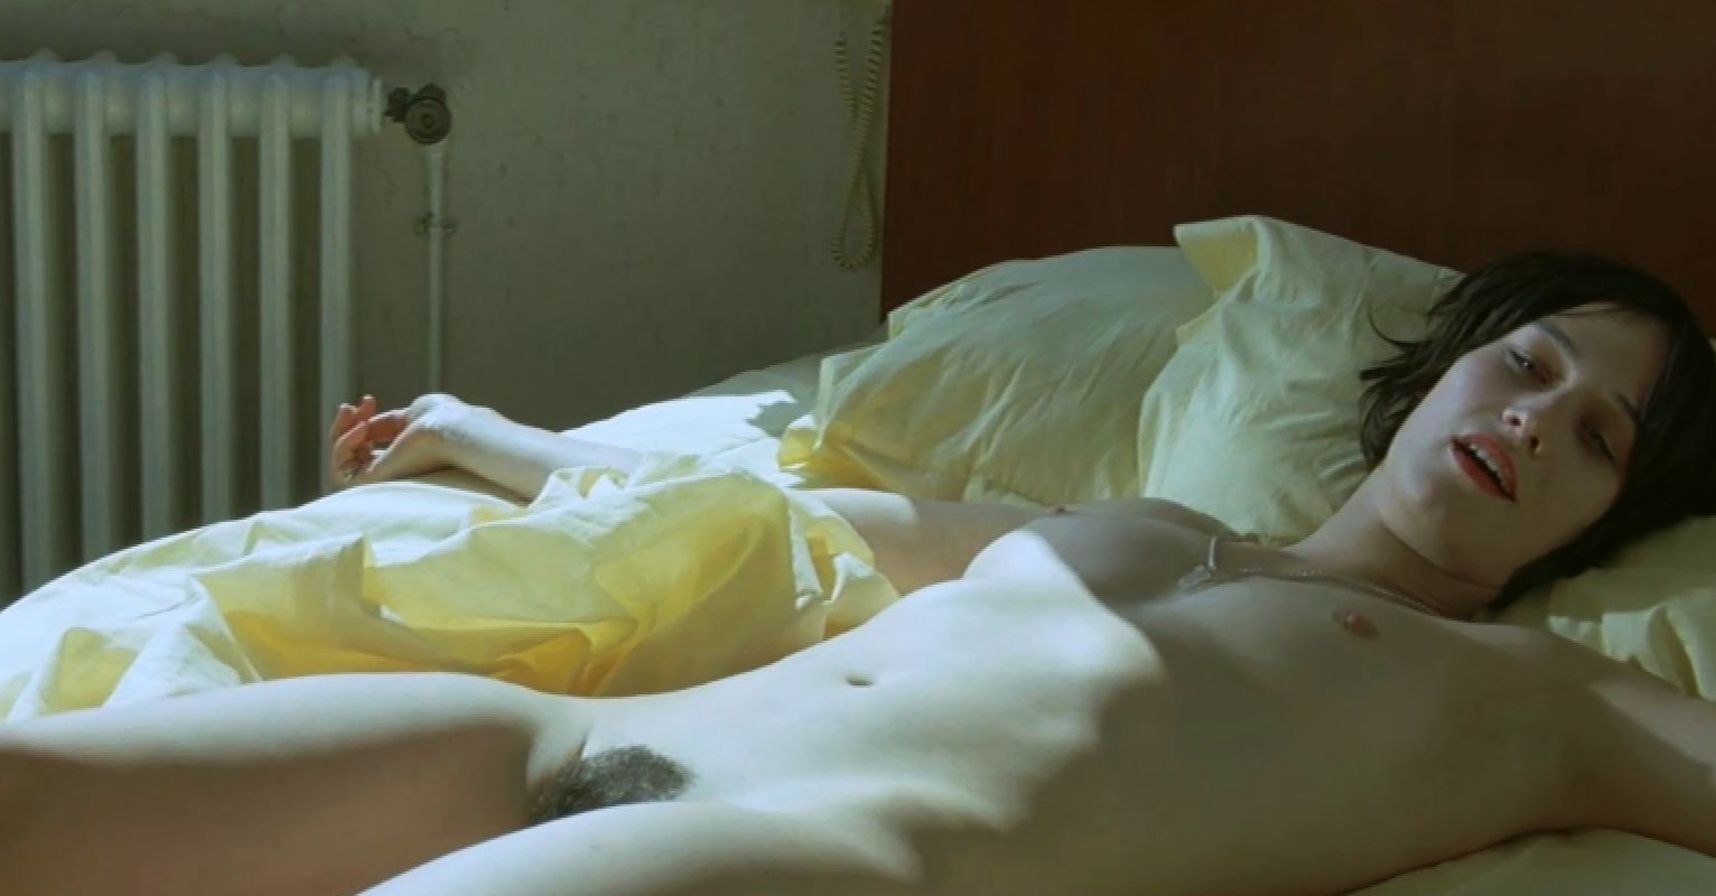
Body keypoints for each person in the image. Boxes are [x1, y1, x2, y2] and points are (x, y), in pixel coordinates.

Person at [4, 251, 1716, 896]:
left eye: (1597, 438)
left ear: (1603, 522)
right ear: (1440, 371)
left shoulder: (1540, 698)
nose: (1536, 418)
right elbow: (767, 512)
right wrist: (481, 434)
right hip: (542, 746)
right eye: (1530, 362)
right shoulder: (1136, 528)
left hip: (806, 855)